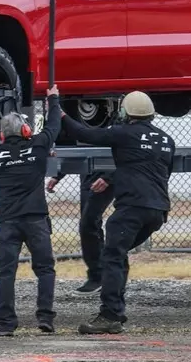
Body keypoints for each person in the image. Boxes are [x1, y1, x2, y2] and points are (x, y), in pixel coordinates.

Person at [59, 91, 175, 335]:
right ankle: (114, 310)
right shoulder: (166, 140)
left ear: (126, 112)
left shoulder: (124, 133)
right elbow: (156, 170)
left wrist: (59, 114)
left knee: (112, 257)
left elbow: (85, 134)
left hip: (131, 209)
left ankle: (110, 314)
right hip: (158, 210)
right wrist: (114, 177)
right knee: (117, 256)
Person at [0, 85, 63, 336]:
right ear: (27, 130)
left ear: (1, 136)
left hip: (8, 221)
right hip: (36, 219)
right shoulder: (39, 146)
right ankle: (45, 318)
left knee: (6, 272)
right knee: (45, 269)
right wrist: (53, 99)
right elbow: (54, 126)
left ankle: (6, 324)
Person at [45, 162, 114, 294]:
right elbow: (73, 147)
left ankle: (100, 276)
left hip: (107, 173)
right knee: (90, 225)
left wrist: (108, 176)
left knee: (88, 225)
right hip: (88, 176)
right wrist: (57, 175)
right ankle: (103, 276)